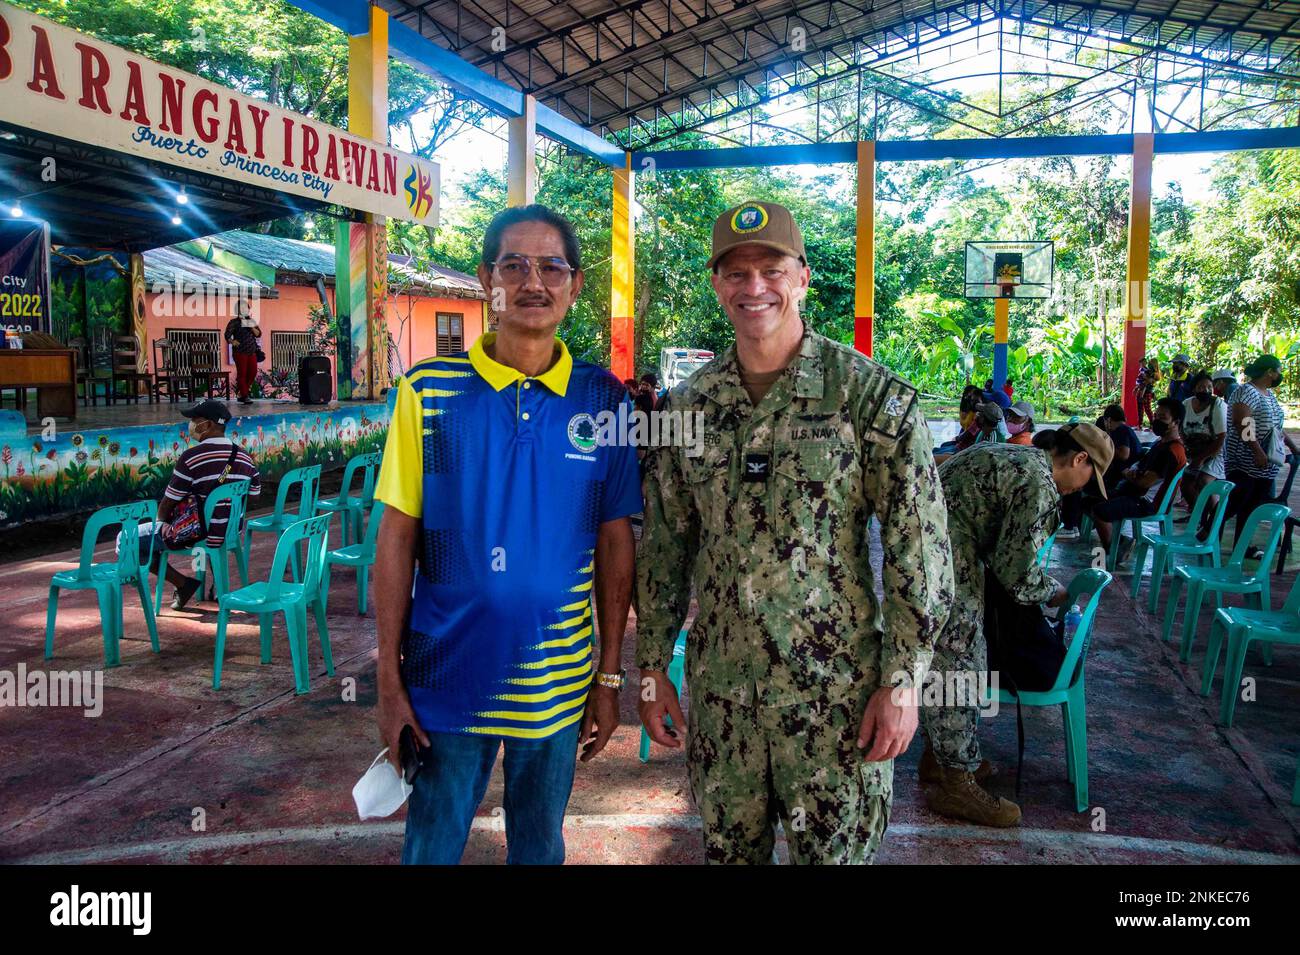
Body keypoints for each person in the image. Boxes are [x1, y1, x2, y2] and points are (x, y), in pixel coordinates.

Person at [636, 200, 954, 864]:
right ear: (717, 283)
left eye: (771, 269)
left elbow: (918, 553)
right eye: (736, 272)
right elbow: (665, 544)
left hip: (835, 703)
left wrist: (903, 681)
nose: (755, 287)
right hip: (725, 703)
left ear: (802, 277)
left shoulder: (869, 397)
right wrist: (650, 669)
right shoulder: (686, 408)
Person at [372, 204, 642, 865]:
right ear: (485, 279)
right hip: (444, 677)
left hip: (557, 679)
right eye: (513, 264)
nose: (533, 281)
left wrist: (609, 677)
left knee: (539, 847)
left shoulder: (605, 400)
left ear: (575, 285)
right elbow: (396, 537)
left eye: (552, 266)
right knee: (430, 847)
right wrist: (387, 678)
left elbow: (615, 541)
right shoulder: (428, 391)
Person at [920, 425, 1110, 826]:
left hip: (929, 552)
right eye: (1090, 476)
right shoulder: (1039, 485)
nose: (1083, 488)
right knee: (960, 666)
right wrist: (1052, 590)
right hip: (945, 562)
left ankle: (939, 760)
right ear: (1079, 460)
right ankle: (955, 782)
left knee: (945, 662)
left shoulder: (1012, 455)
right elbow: (1017, 572)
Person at [137, 400, 261, 608]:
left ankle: (182, 583)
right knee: (212, 525)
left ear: (208, 424)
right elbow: (255, 495)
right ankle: (217, 587)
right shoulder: (244, 457)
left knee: (127, 540)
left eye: (195, 420)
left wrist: (161, 524)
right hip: (229, 531)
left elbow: (169, 502)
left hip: (196, 533)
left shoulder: (191, 458)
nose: (191, 425)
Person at [1085, 397, 1187, 561]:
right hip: (1134, 491)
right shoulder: (1160, 444)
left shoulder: (1172, 451)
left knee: (1100, 511)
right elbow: (1140, 466)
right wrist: (1132, 473)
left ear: (1175, 422)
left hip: (1146, 502)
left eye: (1163, 417)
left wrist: (1129, 475)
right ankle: (1120, 541)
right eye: (1156, 416)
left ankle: (1115, 550)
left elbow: (1145, 482)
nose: (1157, 420)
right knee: (1088, 501)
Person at [1223, 354, 1300, 552]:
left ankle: (1242, 545)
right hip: (1245, 460)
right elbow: (1243, 422)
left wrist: (1292, 446)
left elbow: (1276, 426)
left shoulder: (1268, 394)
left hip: (1265, 464)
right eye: (1278, 371)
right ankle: (1209, 531)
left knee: (1250, 506)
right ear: (1270, 372)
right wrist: (1256, 450)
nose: (1279, 375)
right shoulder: (1246, 391)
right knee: (1236, 502)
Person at [1179, 371, 1228, 515]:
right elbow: (1180, 428)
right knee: (1185, 484)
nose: (1206, 390)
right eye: (1201, 387)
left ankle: (1212, 521)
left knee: (1203, 482)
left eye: (1209, 387)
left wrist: (1201, 459)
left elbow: (1222, 437)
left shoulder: (1218, 405)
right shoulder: (1186, 404)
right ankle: (1198, 515)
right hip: (1194, 451)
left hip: (1216, 452)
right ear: (1194, 388)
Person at [223, 299, 262, 405]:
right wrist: (232, 341)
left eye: (246, 308)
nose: (244, 310)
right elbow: (227, 335)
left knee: (253, 372)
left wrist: (251, 326)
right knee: (242, 374)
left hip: (252, 351)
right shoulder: (234, 322)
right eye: (242, 308)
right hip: (240, 351)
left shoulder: (251, 321)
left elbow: (258, 334)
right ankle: (244, 396)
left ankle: (241, 392)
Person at [1135, 357, 1160, 430]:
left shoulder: (1154, 373)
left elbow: (1147, 382)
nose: (1148, 363)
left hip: (1147, 393)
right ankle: (1139, 425)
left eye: (1150, 362)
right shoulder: (1148, 371)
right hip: (1142, 391)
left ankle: (1152, 425)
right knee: (1140, 409)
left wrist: (1139, 386)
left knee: (1147, 409)